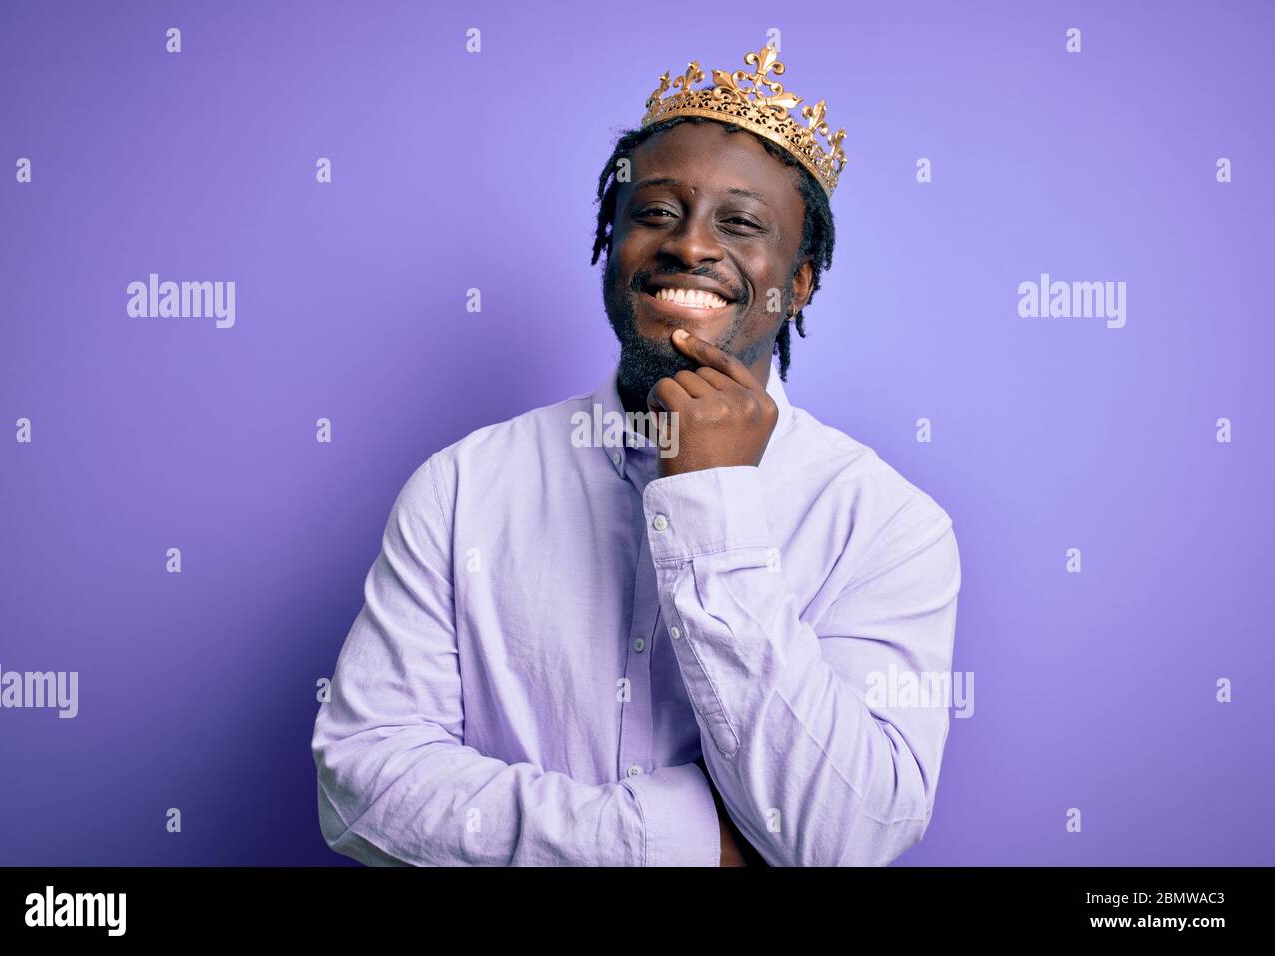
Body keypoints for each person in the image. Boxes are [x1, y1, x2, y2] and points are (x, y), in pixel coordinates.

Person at [311, 43, 961, 866]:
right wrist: (677, 843)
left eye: (741, 222)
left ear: (798, 283)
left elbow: (846, 831)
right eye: (655, 212)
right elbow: (363, 786)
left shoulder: (891, 527)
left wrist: (713, 503)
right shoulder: (461, 487)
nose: (689, 247)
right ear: (609, 242)